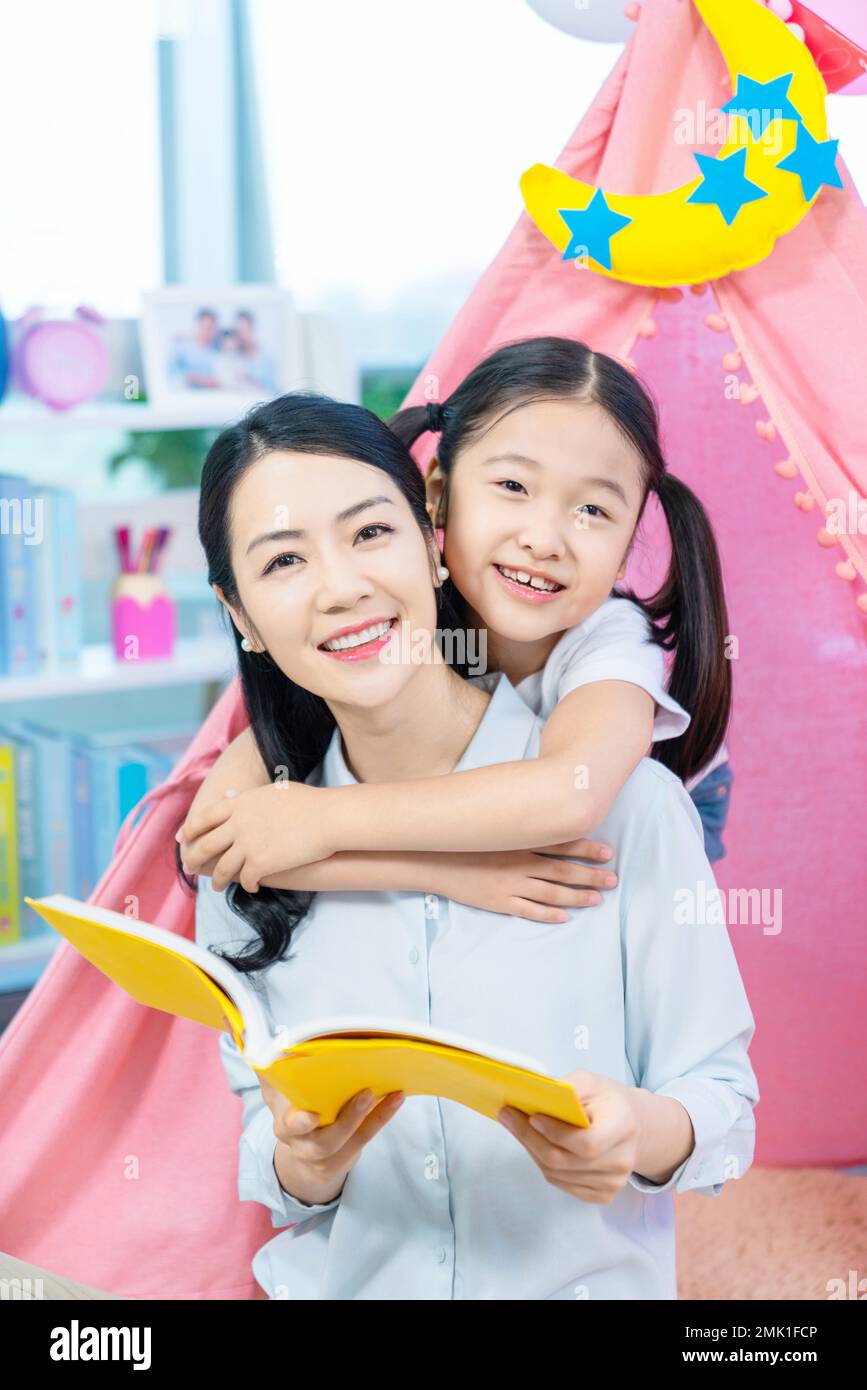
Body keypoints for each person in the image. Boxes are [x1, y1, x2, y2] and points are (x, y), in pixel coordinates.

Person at [188, 390, 758, 1300]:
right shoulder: (251, 849)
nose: (340, 587)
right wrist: (300, 1158)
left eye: (369, 534)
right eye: (285, 560)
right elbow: (269, 1164)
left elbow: (722, 1110)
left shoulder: (624, 807)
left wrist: (639, 1132)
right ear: (243, 615)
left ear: (431, 539)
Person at [177, 337, 734, 912]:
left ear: (624, 550)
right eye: (514, 487)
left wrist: (322, 818)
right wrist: (445, 874)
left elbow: (571, 794)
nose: (543, 540)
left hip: (665, 791)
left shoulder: (611, 644)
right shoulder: (400, 605)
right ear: (438, 492)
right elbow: (215, 834)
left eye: (592, 511)